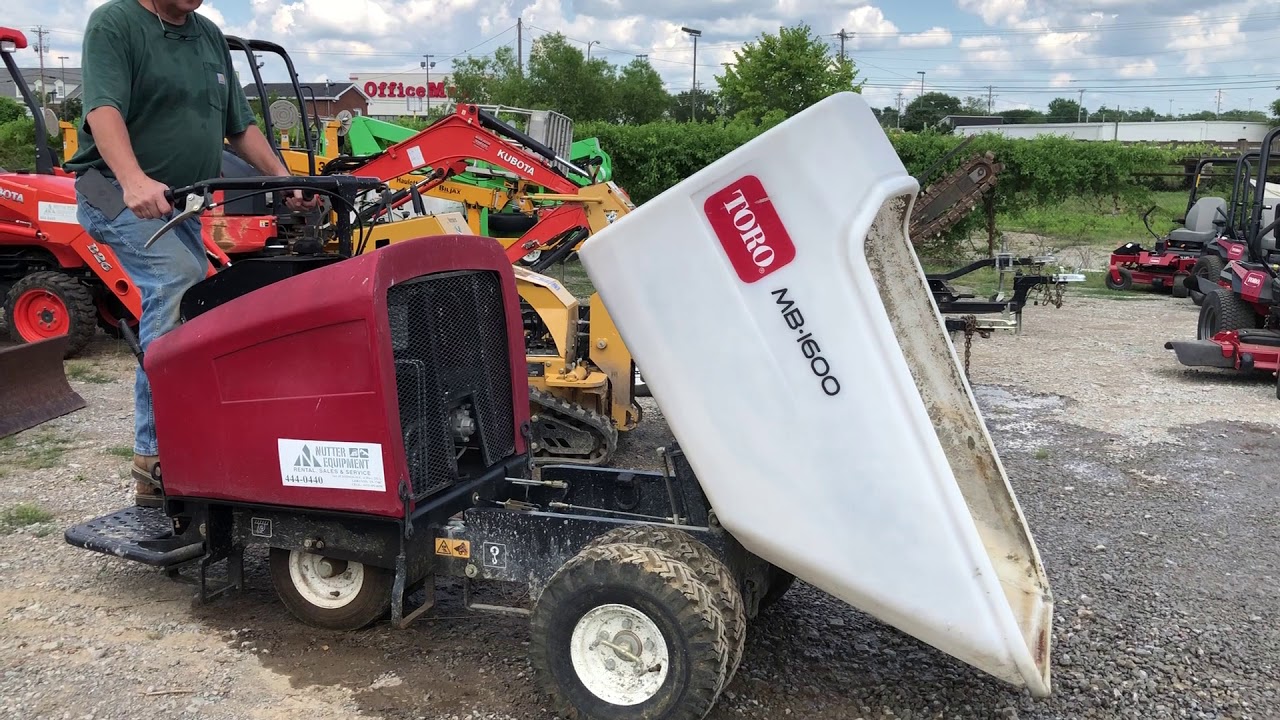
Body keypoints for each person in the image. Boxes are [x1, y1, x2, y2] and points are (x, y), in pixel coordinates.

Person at [65, 0, 318, 506]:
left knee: (212, 295)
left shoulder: (206, 35)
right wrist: (134, 178)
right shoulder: (115, 23)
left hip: (179, 202)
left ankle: (208, 431)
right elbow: (103, 109)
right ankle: (155, 459)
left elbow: (239, 127)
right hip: (114, 190)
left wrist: (285, 177)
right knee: (178, 280)